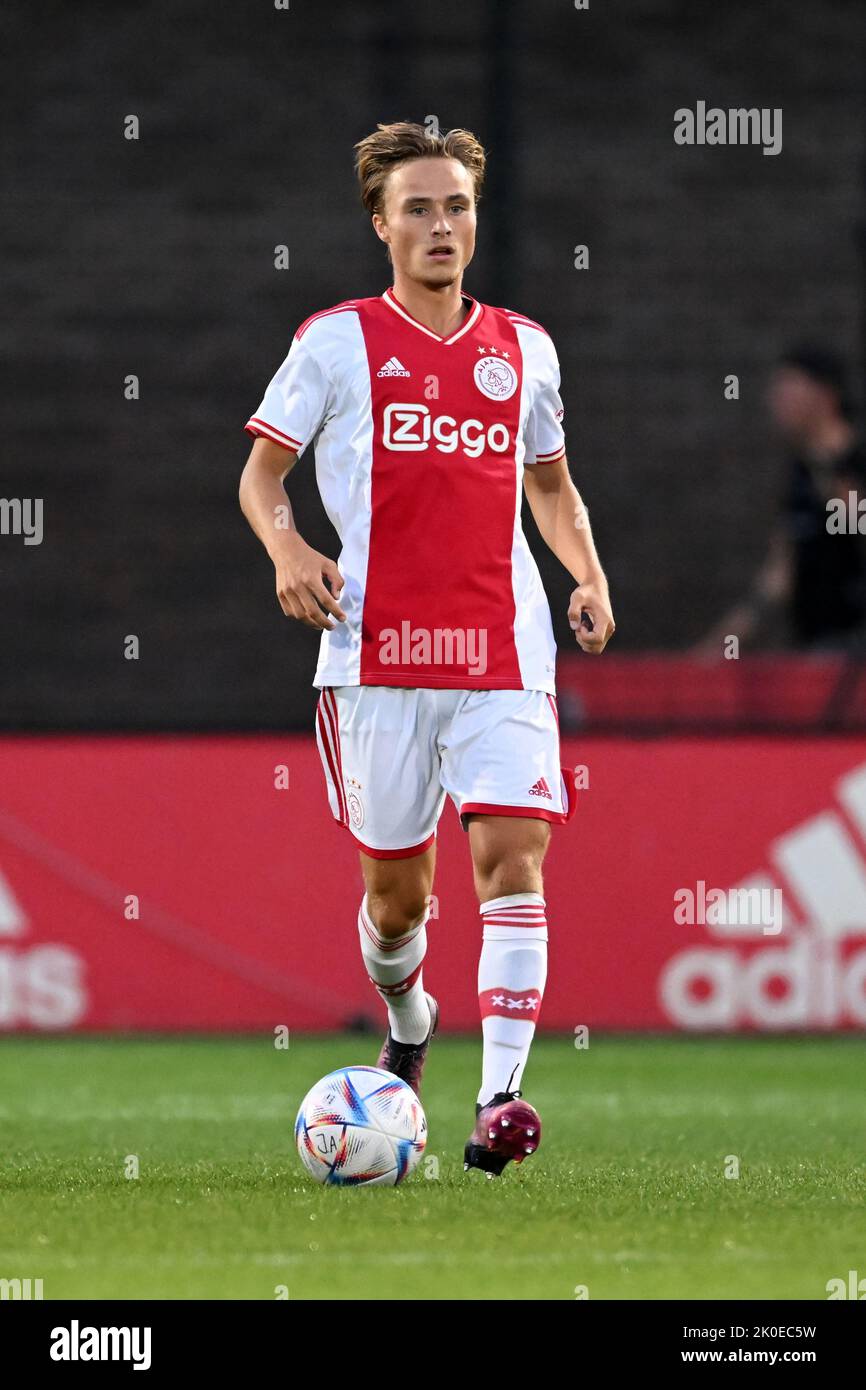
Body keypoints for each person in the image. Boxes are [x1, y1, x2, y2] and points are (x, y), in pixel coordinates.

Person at [239, 121, 615, 1177]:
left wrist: (583, 572)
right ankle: (410, 1014)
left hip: (501, 652)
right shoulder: (334, 342)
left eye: (456, 206)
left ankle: (499, 1097)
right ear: (380, 224)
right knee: (396, 903)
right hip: (373, 660)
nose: (441, 225)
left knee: (512, 856)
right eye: (418, 207)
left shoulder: (525, 349)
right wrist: (288, 550)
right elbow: (261, 479)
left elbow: (547, 483)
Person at [695, 344, 866, 654]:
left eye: (788, 390)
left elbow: (856, 522)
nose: (775, 402)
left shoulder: (852, 463)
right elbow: (780, 575)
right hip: (818, 651)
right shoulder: (801, 474)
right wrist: (718, 647)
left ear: (826, 396)